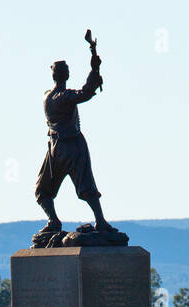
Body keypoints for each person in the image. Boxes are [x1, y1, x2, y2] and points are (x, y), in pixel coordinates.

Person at [34, 55, 115, 236]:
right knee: (83, 186)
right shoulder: (62, 97)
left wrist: (94, 74)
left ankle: (56, 221)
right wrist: (94, 71)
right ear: (66, 75)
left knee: (43, 190)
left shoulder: (48, 95)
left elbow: (84, 93)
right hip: (68, 147)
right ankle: (97, 221)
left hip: (59, 147)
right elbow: (84, 93)